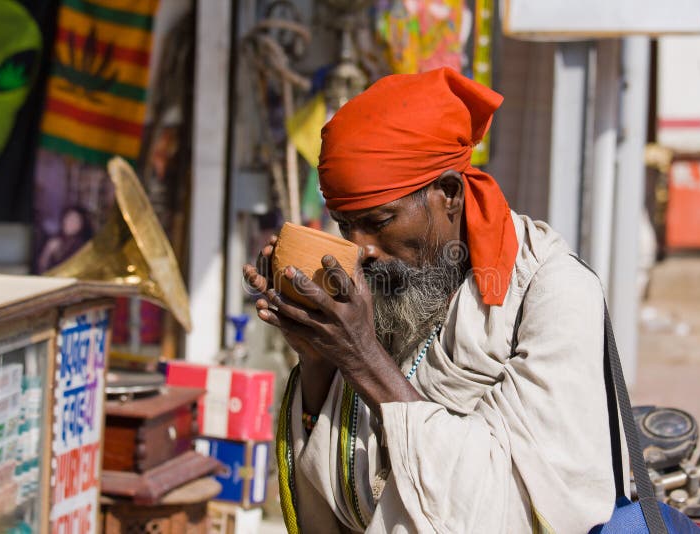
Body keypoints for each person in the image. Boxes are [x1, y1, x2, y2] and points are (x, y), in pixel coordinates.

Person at [243, 67, 627, 533]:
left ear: (448, 193)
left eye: (379, 220)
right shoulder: (391, 284)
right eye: (346, 225)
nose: (360, 248)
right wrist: (319, 357)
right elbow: (340, 498)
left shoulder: (553, 293)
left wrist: (363, 358)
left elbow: (513, 508)